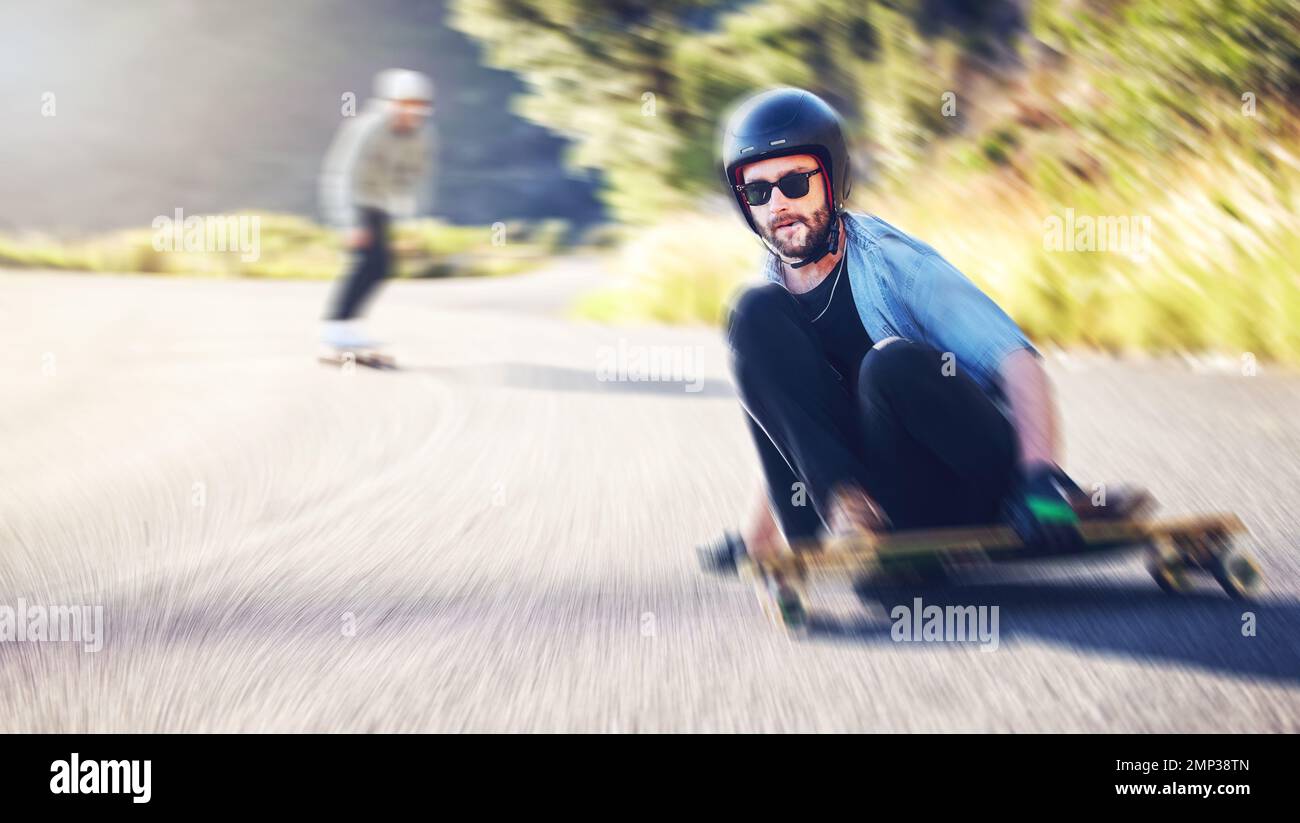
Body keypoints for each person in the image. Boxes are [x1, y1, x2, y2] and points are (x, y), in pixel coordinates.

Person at [708, 87, 1129, 570]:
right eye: (758, 192)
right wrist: (757, 538)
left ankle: (1028, 503)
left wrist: (1039, 475)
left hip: (948, 491)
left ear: (831, 177)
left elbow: (1014, 358)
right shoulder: (768, 294)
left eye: (795, 184)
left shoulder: (895, 264)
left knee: (892, 363)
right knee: (750, 314)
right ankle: (850, 513)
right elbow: (795, 426)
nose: (778, 205)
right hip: (839, 525)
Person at [319, 68, 435, 354]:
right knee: (366, 262)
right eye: (407, 104)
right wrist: (348, 223)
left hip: (381, 204)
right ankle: (335, 326)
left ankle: (347, 325)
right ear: (392, 102)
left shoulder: (422, 135)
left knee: (383, 267)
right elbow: (341, 174)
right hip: (356, 201)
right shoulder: (367, 128)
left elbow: (416, 177)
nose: (413, 111)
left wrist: (413, 220)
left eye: (419, 105)